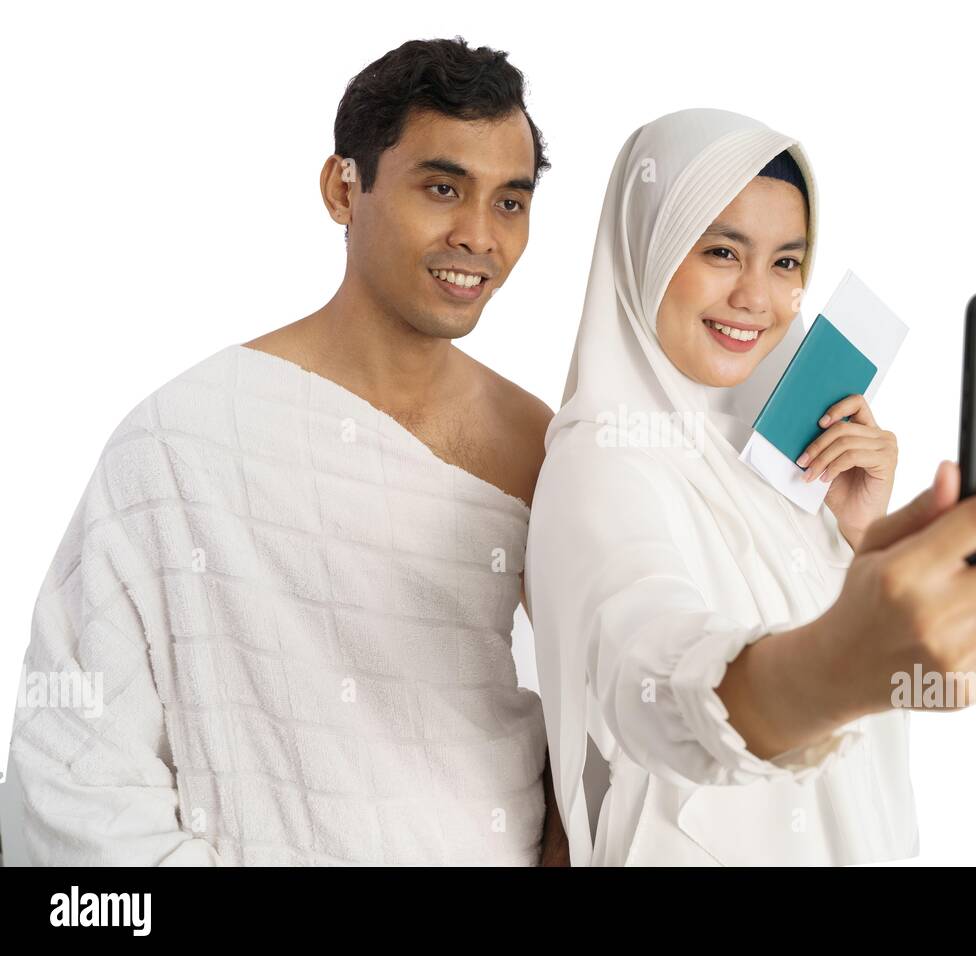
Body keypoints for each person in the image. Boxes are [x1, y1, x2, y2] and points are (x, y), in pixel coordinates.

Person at [7, 37, 568, 865]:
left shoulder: (540, 445)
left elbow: (604, 717)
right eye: (443, 188)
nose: (479, 236)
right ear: (344, 188)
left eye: (510, 202)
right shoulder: (181, 438)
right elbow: (76, 760)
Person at [524, 108, 976, 866]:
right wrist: (837, 660)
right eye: (721, 251)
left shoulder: (781, 459)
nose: (757, 297)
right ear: (646, 246)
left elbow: (857, 746)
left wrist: (854, 544)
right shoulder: (604, 461)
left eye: (786, 263)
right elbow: (652, 678)